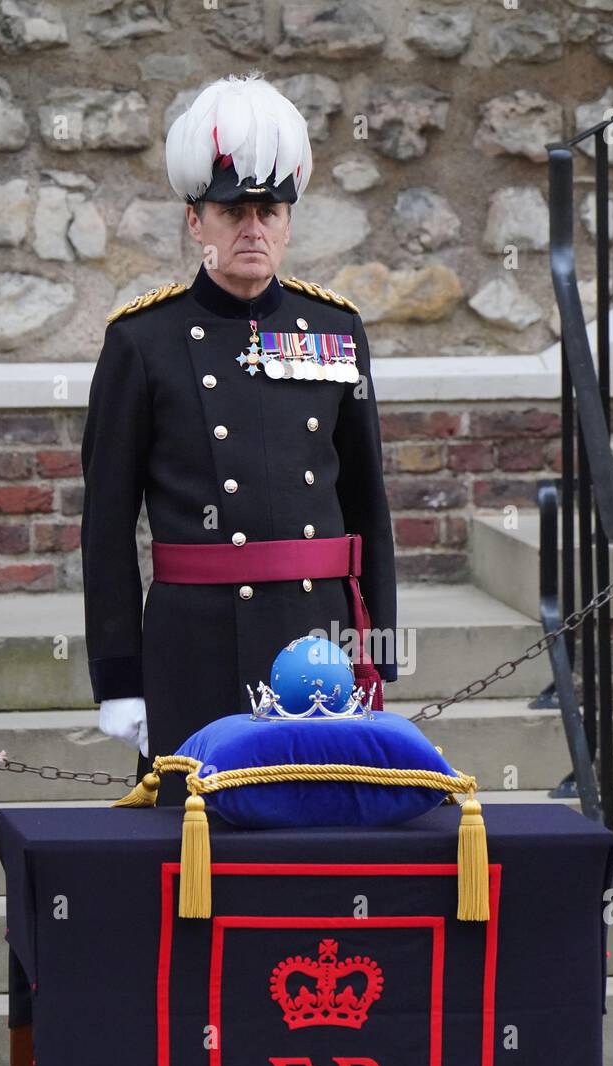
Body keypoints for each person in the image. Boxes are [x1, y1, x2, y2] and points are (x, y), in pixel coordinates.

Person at [79, 74, 398, 804]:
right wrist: (121, 680)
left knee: (317, 845)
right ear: (197, 222)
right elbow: (105, 526)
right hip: (194, 649)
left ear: (288, 222)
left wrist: (377, 654)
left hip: (319, 641)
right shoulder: (142, 342)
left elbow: (367, 505)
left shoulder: (335, 330)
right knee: (197, 852)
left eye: (269, 210)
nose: (253, 228)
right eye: (233, 210)